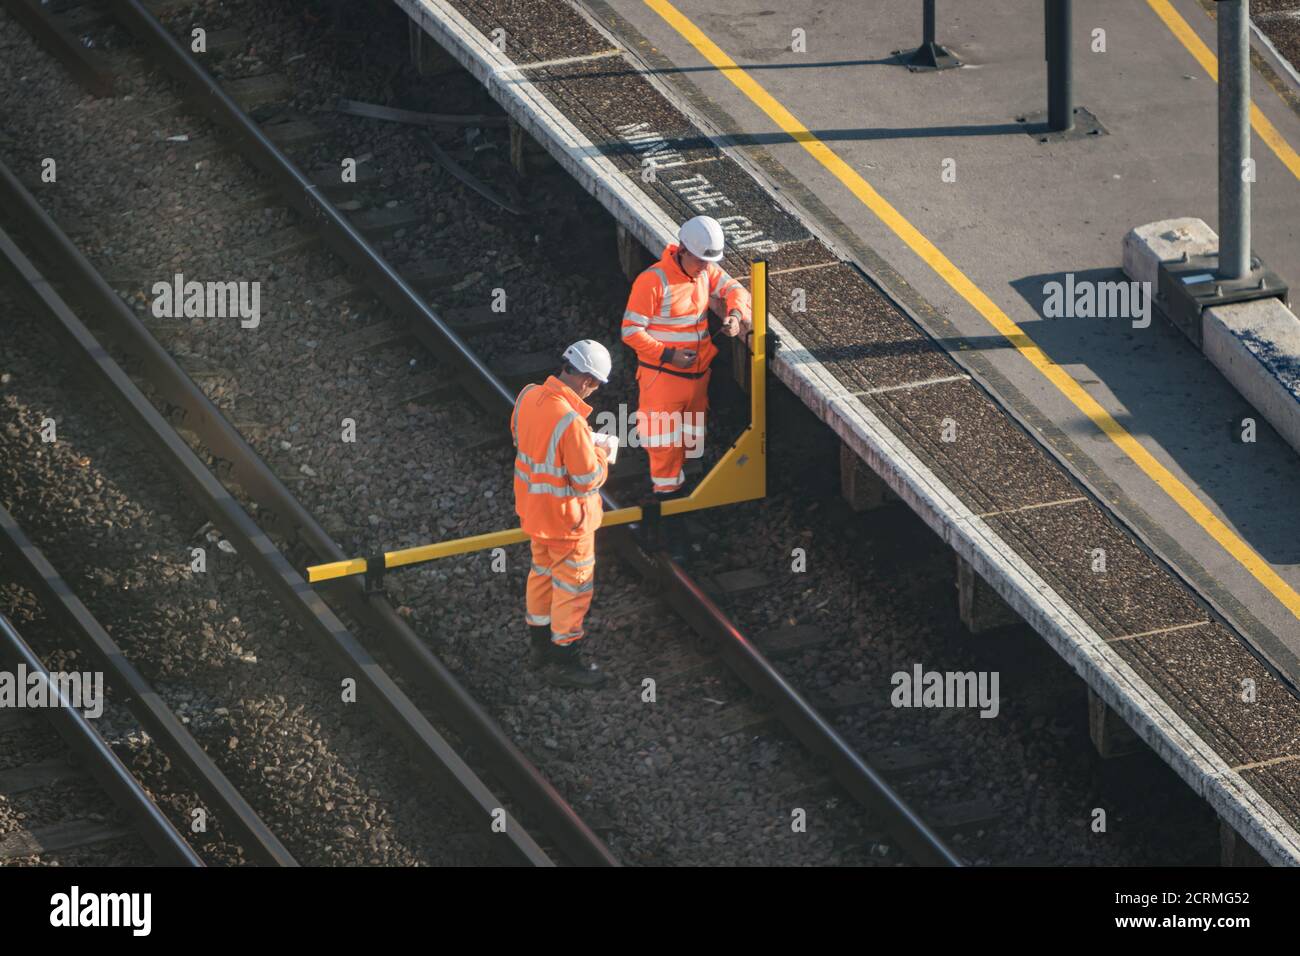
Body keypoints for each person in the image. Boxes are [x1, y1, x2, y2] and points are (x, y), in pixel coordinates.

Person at [620, 216, 751, 546]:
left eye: (709, 262)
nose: (704, 268)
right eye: (700, 260)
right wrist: (667, 355)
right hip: (663, 380)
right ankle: (670, 530)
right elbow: (630, 331)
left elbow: (735, 289)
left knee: (688, 444)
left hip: (696, 379)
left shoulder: (705, 271)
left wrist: (734, 316)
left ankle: (678, 511)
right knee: (665, 452)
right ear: (682, 250)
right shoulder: (653, 282)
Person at [510, 340, 616, 688]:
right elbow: (587, 480)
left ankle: (538, 650)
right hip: (569, 524)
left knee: (541, 576)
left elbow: (522, 439)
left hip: (535, 515)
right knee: (573, 587)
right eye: (596, 384)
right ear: (586, 379)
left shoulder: (528, 395)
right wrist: (601, 454)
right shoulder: (570, 420)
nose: (594, 391)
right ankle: (565, 660)